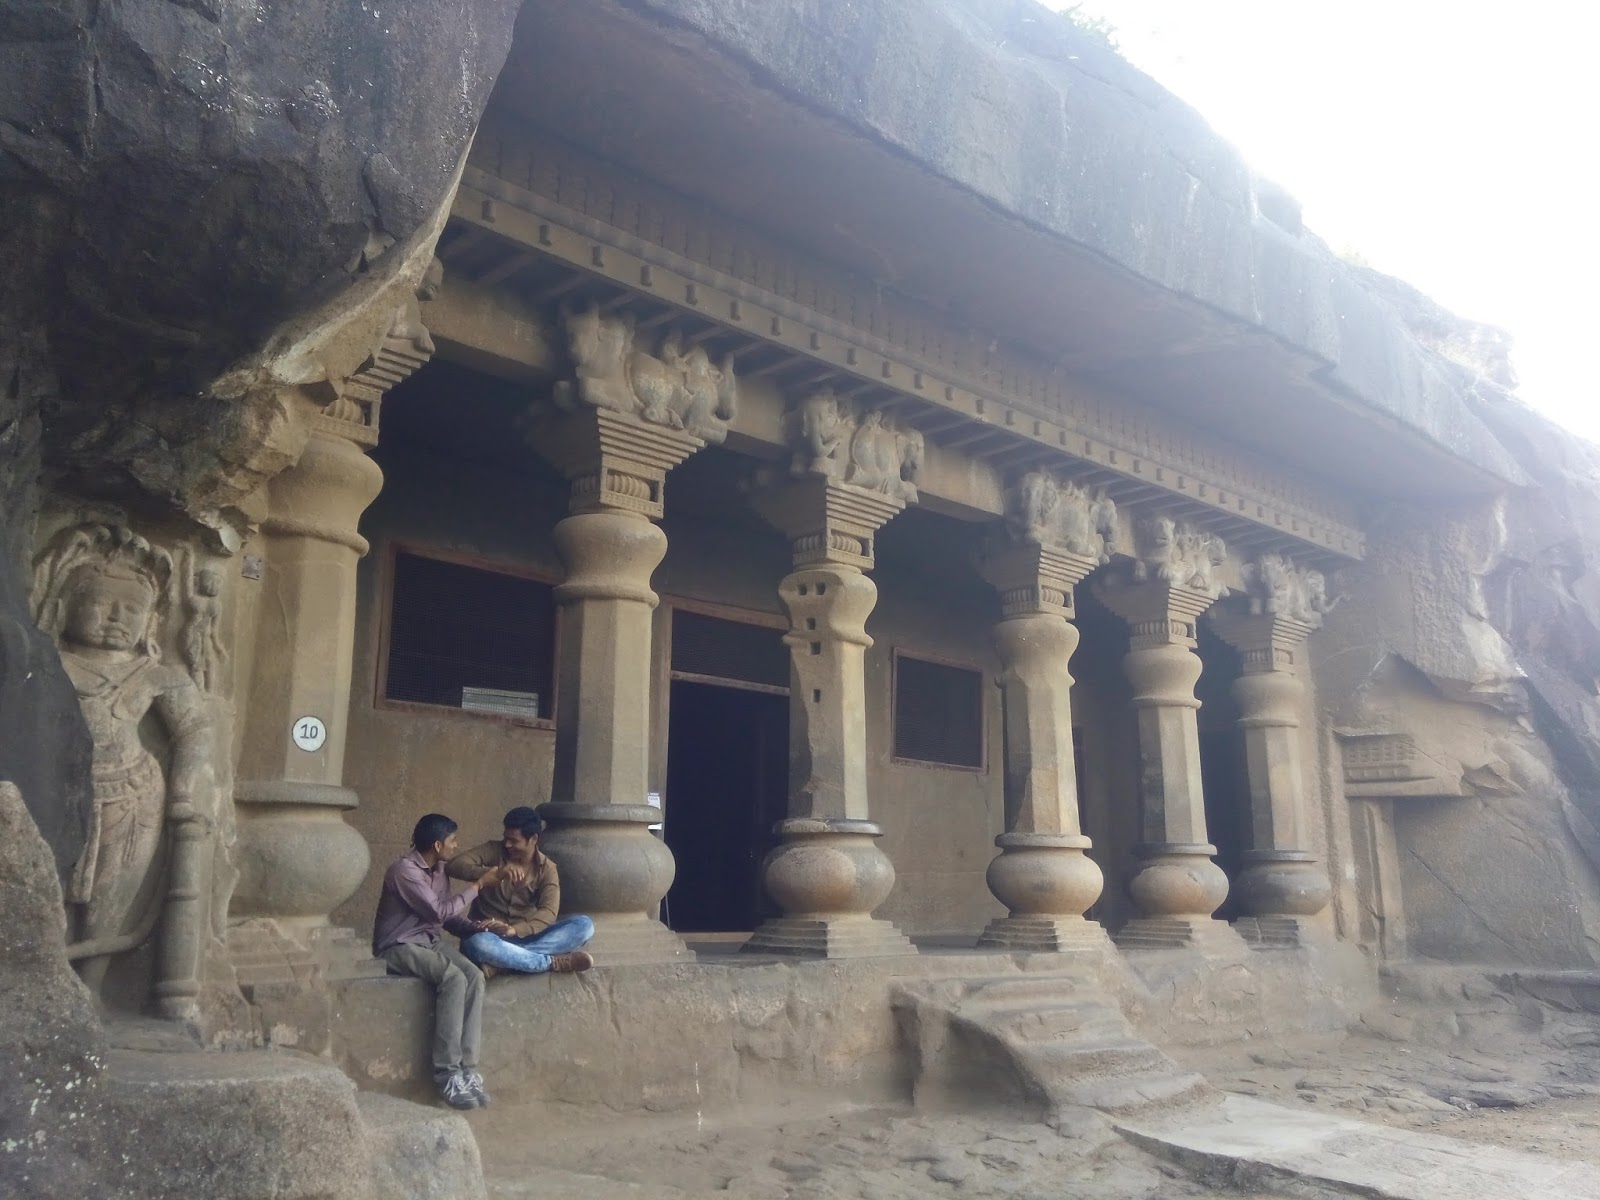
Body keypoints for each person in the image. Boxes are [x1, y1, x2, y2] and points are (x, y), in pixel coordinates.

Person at [373, 813, 523, 1110]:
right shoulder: (404, 871)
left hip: (430, 942)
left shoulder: (439, 870)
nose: (456, 846)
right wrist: (479, 885)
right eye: (453, 841)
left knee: (474, 976)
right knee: (453, 978)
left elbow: (449, 918)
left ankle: (468, 1069)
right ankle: (447, 1074)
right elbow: (437, 912)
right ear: (438, 844)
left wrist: (477, 927)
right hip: (399, 945)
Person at [449, 806, 596, 978]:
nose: (507, 844)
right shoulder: (494, 850)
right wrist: (495, 873)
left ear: (533, 839)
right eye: (506, 838)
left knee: (584, 926)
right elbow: (454, 865)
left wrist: (514, 930)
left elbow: (548, 912)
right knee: (477, 944)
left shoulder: (547, 869)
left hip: (526, 934)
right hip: (488, 936)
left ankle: (506, 963)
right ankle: (548, 963)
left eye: (514, 840)